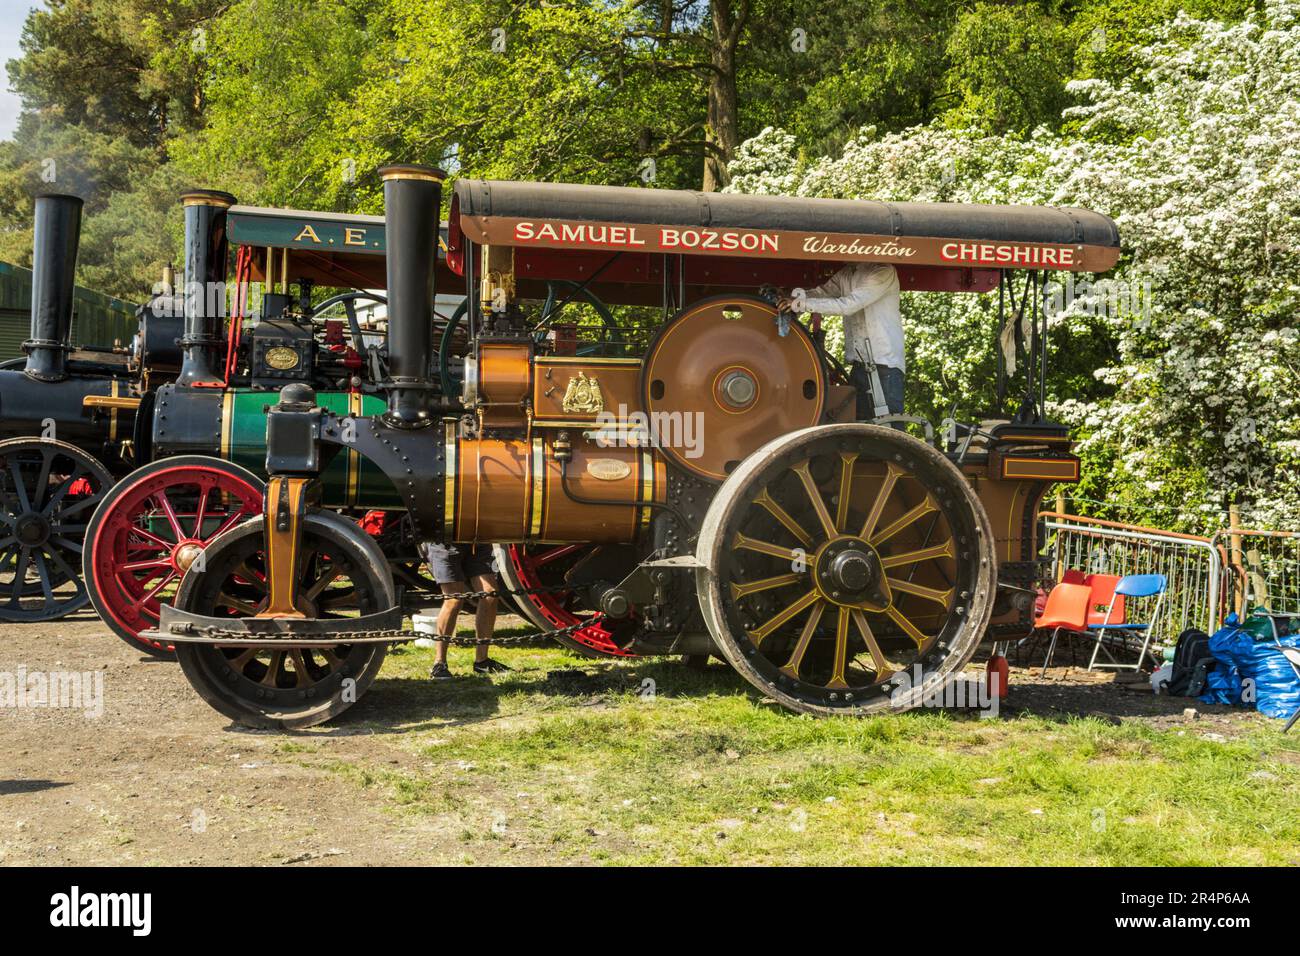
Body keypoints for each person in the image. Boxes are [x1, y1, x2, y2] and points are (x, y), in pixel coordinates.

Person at [777, 262, 904, 420]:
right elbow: (823, 292)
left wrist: (798, 304)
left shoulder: (883, 271)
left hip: (885, 366)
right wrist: (791, 298)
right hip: (860, 364)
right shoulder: (847, 273)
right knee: (858, 426)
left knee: (889, 427)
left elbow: (848, 305)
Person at [417, 542, 510, 679]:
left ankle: (482, 662)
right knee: (454, 599)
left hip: (477, 538)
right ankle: (439, 663)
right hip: (444, 541)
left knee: (490, 594)